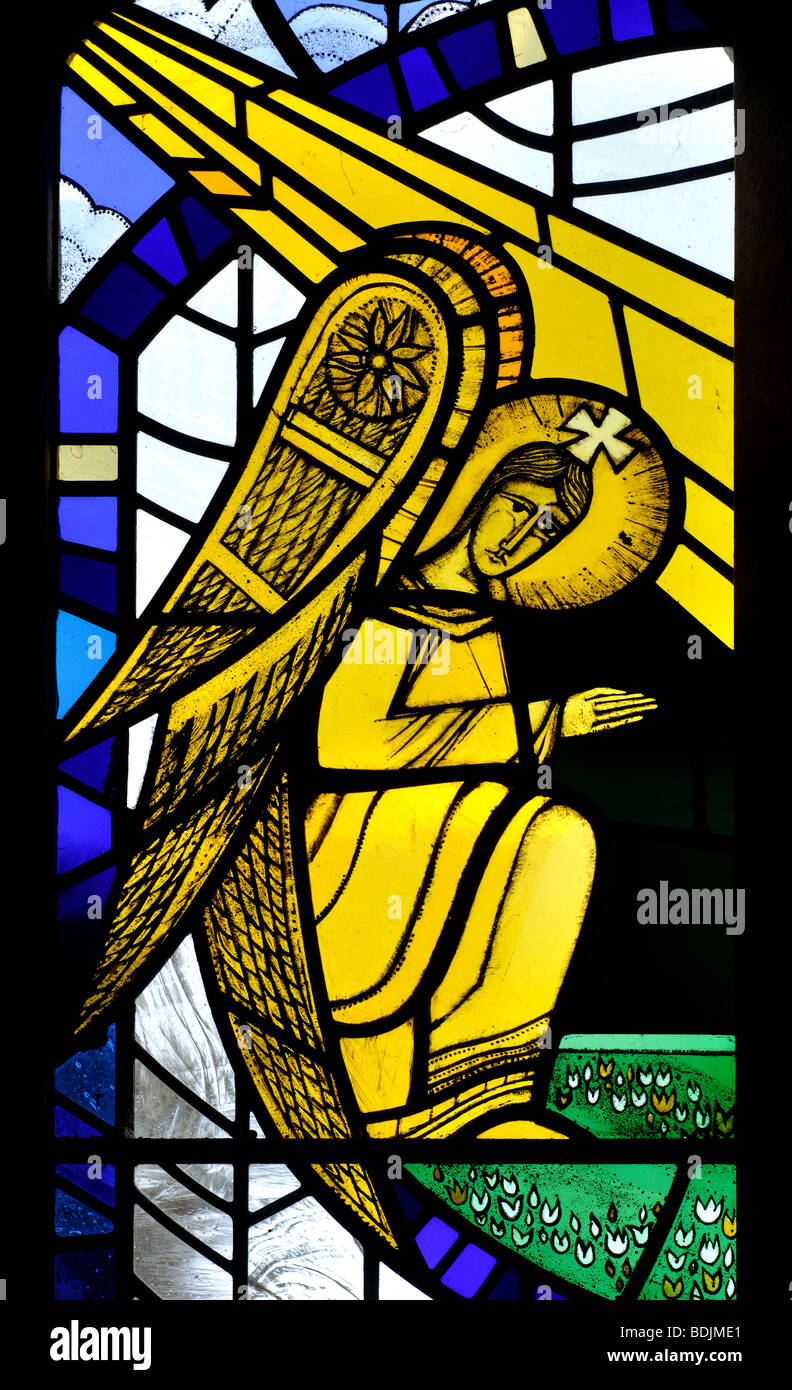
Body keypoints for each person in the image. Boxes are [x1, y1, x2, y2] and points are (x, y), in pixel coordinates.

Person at [303, 442, 657, 1138]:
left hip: (450, 827)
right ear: (480, 497)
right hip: (355, 839)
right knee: (539, 830)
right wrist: (549, 718)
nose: (524, 535)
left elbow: (481, 757)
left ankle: (480, 1090)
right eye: (518, 508)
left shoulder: (482, 621)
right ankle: (385, 1100)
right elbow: (349, 743)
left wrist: (532, 733)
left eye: (549, 529)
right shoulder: (387, 605)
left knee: (561, 837)